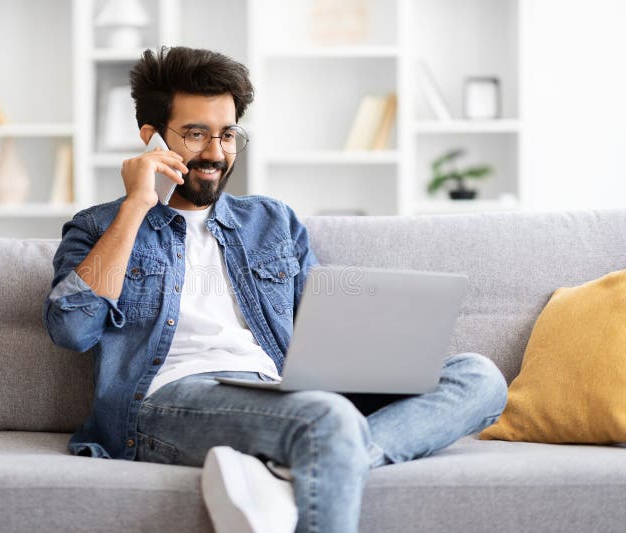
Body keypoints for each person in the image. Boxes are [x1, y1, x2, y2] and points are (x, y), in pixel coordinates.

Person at [43, 46, 509, 533]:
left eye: (227, 135)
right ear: (152, 137)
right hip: (164, 401)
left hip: (277, 392)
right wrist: (138, 205)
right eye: (196, 134)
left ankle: (291, 469)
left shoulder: (271, 221)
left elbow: (320, 332)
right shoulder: (100, 226)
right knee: (323, 420)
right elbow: (73, 329)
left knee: (478, 377)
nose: (217, 153)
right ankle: (321, 452)